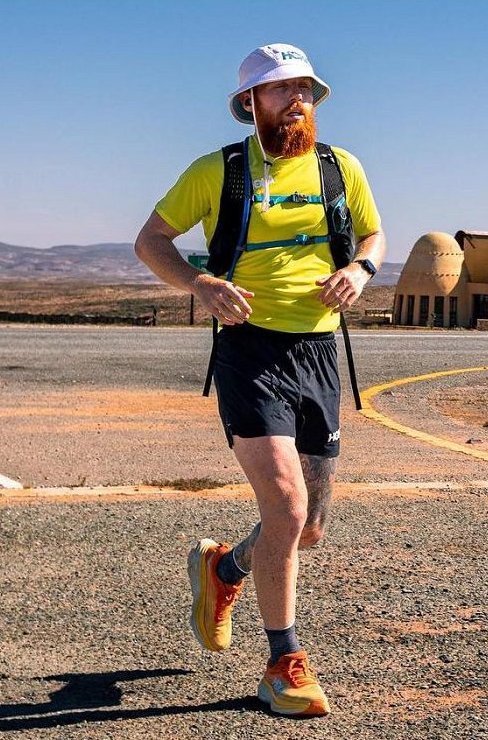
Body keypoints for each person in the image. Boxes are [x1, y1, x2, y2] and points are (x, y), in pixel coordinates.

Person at [134, 43, 386, 717]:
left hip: (319, 354)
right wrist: (200, 282)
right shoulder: (217, 172)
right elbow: (150, 240)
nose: (296, 99)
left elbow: (373, 237)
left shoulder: (342, 169)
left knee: (307, 529)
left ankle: (224, 570)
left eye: (304, 88)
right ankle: (284, 662)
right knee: (286, 506)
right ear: (250, 103)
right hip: (249, 353)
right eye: (280, 90)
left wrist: (360, 272)